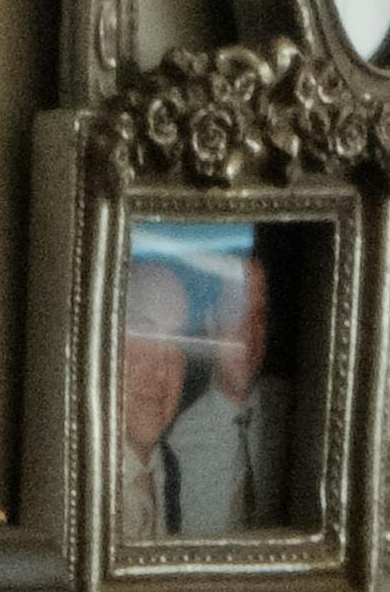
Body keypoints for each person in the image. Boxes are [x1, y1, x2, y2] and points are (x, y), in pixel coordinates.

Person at [123, 230, 292, 539]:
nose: (247, 335)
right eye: (234, 314)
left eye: (259, 318)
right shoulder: (177, 441)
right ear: (211, 324)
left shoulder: (298, 416)